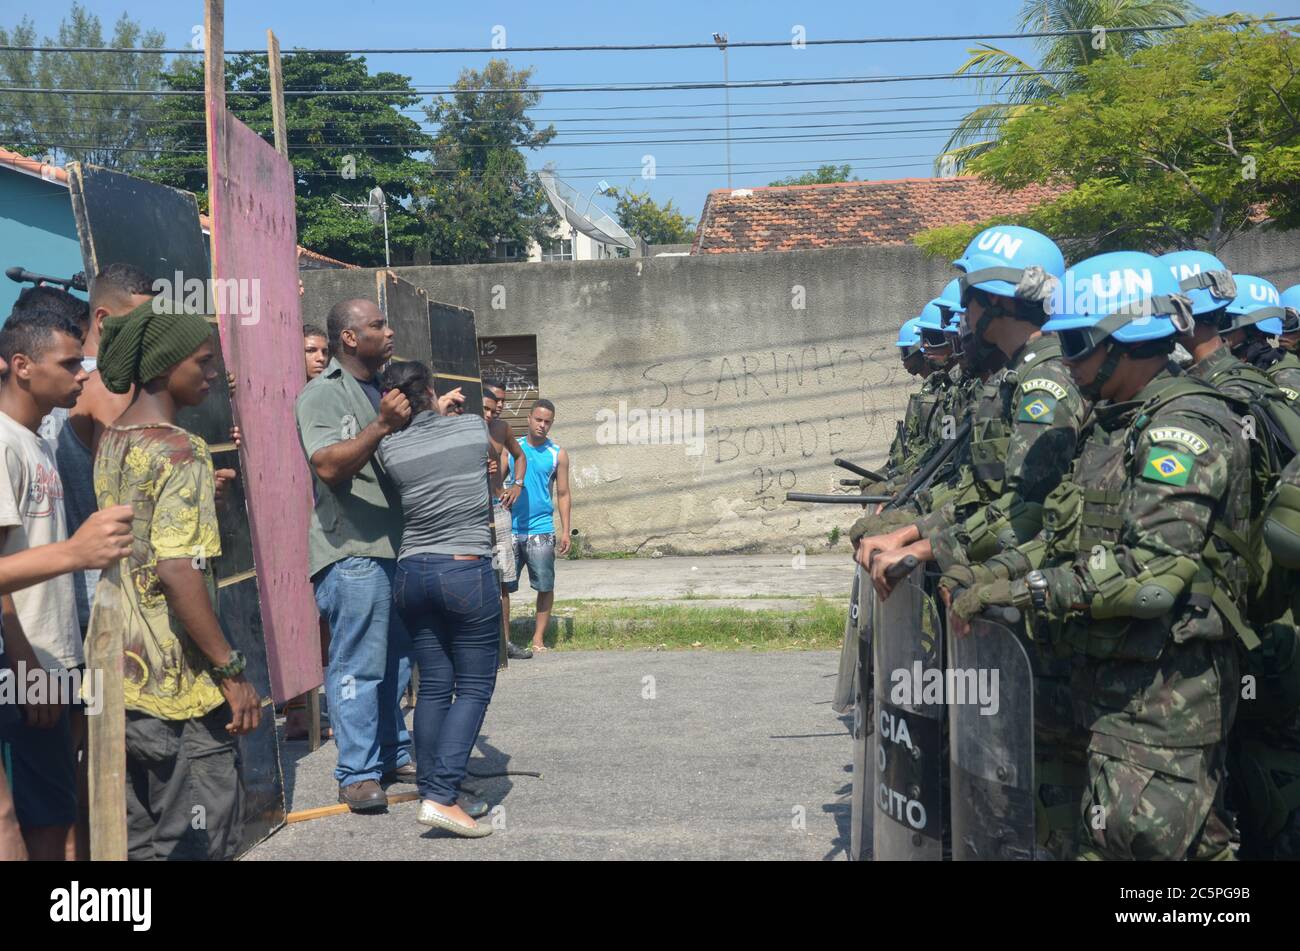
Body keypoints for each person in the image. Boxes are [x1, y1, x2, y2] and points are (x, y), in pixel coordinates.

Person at [945, 251, 1248, 861]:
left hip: (1165, 697)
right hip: (1108, 685)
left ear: (1129, 341)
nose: (1068, 359)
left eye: (1079, 342)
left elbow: (1153, 575)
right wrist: (992, 572)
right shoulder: (1111, 426)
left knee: (1150, 855)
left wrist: (1027, 591)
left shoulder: (1181, 429)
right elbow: (1065, 538)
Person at [90, 298, 262, 860]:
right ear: (166, 366)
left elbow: (142, 538)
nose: (214, 374)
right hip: (179, 684)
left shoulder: (112, 438)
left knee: (140, 841)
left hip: (122, 673)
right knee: (200, 834)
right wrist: (231, 671)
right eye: (204, 362)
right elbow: (175, 571)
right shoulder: (181, 449)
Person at [295, 298, 414, 812]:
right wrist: (382, 426)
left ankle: (393, 753)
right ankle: (358, 773)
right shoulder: (322, 395)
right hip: (352, 552)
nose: (389, 333)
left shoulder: (384, 391)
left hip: (396, 548)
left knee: (397, 664)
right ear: (349, 337)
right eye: (377, 325)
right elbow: (326, 465)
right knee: (358, 666)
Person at [375, 361, 499, 836]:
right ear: (429, 391)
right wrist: (443, 408)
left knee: (433, 684)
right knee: (473, 686)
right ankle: (444, 796)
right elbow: (490, 455)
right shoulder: (470, 427)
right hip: (464, 569)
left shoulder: (389, 448)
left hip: (412, 573)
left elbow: (421, 435)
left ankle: (431, 788)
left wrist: (427, 408)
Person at [0, 309, 93, 861]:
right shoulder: (5, 443)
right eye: (69, 363)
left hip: (52, 656)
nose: (81, 374)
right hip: (26, 660)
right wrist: (24, 660)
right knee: (34, 820)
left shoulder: (36, 440)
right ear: (22, 366)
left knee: (56, 809)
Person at [503, 400, 571, 653]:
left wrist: (565, 530)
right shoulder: (512, 448)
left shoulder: (557, 453)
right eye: (539, 420)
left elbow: (563, 493)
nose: (543, 425)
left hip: (541, 530)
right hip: (509, 528)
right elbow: (495, 479)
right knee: (502, 587)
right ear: (529, 418)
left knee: (545, 585)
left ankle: (538, 639)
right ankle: (504, 641)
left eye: (548, 421)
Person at [483, 381, 529, 660]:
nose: (497, 407)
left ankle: (505, 642)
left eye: (501, 402)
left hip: (497, 507)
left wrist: (517, 485)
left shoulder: (502, 428)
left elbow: (520, 455)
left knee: (501, 579)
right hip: (471, 511)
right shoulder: (461, 424)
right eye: (492, 402)